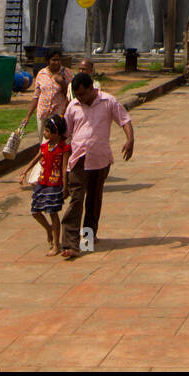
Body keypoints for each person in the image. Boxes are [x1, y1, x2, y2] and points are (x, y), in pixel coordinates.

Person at [60, 73, 133, 259]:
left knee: (93, 199)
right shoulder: (73, 106)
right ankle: (69, 243)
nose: (80, 98)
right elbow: (65, 133)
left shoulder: (108, 101)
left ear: (92, 88)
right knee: (76, 199)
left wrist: (130, 140)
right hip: (78, 159)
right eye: (77, 95)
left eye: (83, 94)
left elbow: (124, 120)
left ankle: (88, 238)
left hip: (100, 159)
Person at [19, 114, 70, 256]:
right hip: (42, 182)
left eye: (47, 131)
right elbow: (36, 159)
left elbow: (64, 169)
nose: (45, 134)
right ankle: (48, 229)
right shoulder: (45, 146)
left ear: (56, 132)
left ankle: (56, 244)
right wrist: (24, 172)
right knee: (35, 211)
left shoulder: (63, 148)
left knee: (53, 213)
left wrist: (65, 187)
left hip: (55, 184)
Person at [26, 50, 72, 136]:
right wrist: (28, 116)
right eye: (53, 60)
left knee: (55, 140)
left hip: (58, 114)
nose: (56, 62)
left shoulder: (67, 73)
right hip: (42, 113)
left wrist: (62, 82)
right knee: (43, 142)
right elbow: (36, 96)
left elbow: (70, 95)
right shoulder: (41, 74)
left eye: (58, 60)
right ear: (48, 61)